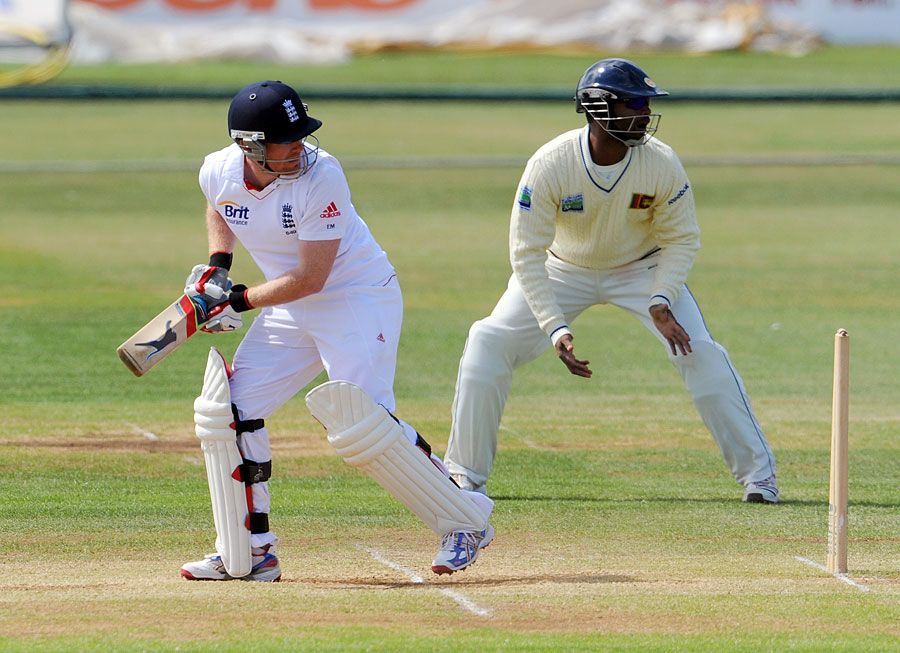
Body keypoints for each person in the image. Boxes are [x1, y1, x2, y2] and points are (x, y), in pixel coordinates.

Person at [179, 80, 493, 582]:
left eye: (303, 136)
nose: (300, 148)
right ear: (250, 147)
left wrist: (235, 300)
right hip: (290, 305)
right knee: (229, 413)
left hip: (354, 296)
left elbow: (312, 278)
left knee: (361, 423)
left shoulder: (322, 177)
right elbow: (219, 204)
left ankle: (466, 519)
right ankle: (249, 552)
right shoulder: (217, 169)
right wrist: (219, 265)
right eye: (288, 141)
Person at [445, 58, 778, 507]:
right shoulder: (551, 163)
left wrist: (661, 300)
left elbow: (682, 240)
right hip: (562, 268)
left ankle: (760, 479)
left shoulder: (660, 163)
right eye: (634, 104)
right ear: (597, 108)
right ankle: (464, 477)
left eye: (646, 104)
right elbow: (526, 253)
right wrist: (555, 328)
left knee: (700, 353)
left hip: (641, 269)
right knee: (487, 339)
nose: (644, 114)